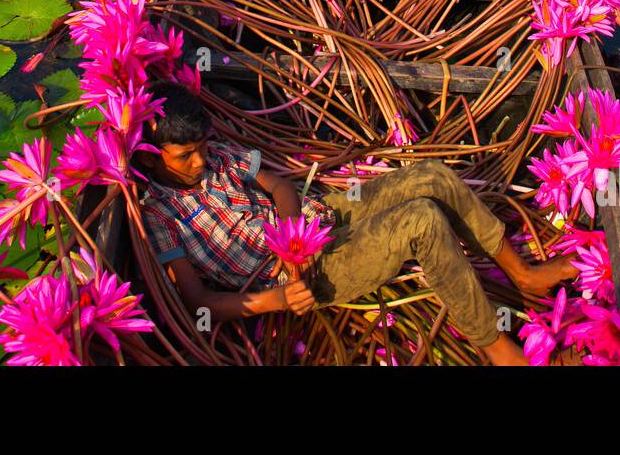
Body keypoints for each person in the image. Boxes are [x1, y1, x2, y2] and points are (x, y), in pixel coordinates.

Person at [136, 80, 580, 365]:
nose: (198, 161)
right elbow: (198, 302)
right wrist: (276, 299)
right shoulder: (160, 215)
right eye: (183, 156)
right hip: (307, 276)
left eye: (200, 148)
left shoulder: (217, 157)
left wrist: (292, 238)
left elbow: (283, 190)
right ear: (149, 155)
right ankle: (496, 347)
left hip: (319, 218)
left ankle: (521, 274)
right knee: (421, 220)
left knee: (434, 176)